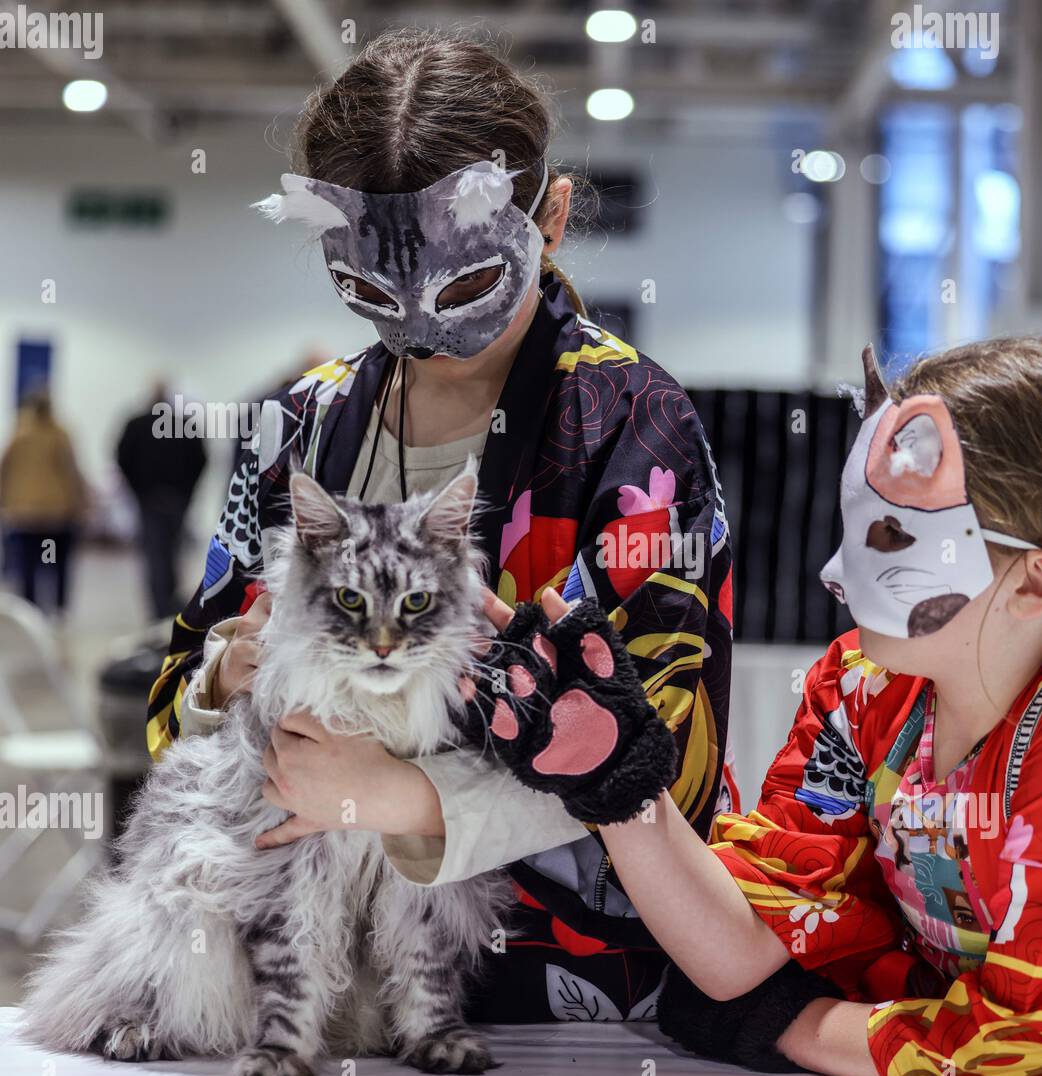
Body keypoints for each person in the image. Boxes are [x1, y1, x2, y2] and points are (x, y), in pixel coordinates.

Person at [470, 338, 1042, 1076]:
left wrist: (797, 1025)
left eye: (889, 537)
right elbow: (746, 941)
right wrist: (620, 784)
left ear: (1036, 583)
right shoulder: (862, 686)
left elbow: (1028, 1051)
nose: (834, 571)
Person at [146, 28, 735, 1023]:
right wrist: (220, 684)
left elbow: (671, 755)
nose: (420, 329)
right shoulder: (297, 428)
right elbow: (173, 700)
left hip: (542, 992)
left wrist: (411, 803)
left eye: (466, 285)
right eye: (370, 290)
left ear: (549, 215)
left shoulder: (634, 427)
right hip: (295, 990)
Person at [116, 382, 207, 619]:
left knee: (156, 555)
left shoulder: (137, 424)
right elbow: (201, 459)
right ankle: (167, 605)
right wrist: (187, 493)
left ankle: (161, 607)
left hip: (153, 499)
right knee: (171, 553)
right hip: (173, 499)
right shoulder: (183, 425)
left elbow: (122, 457)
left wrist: (139, 490)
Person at [0, 388, 85, 615]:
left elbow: (4, 469)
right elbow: (72, 471)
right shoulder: (60, 434)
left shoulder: (19, 433)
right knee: (54, 562)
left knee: (28, 565)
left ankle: (31, 608)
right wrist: (81, 502)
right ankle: (57, 607)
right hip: (55, 514)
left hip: (25, 514)